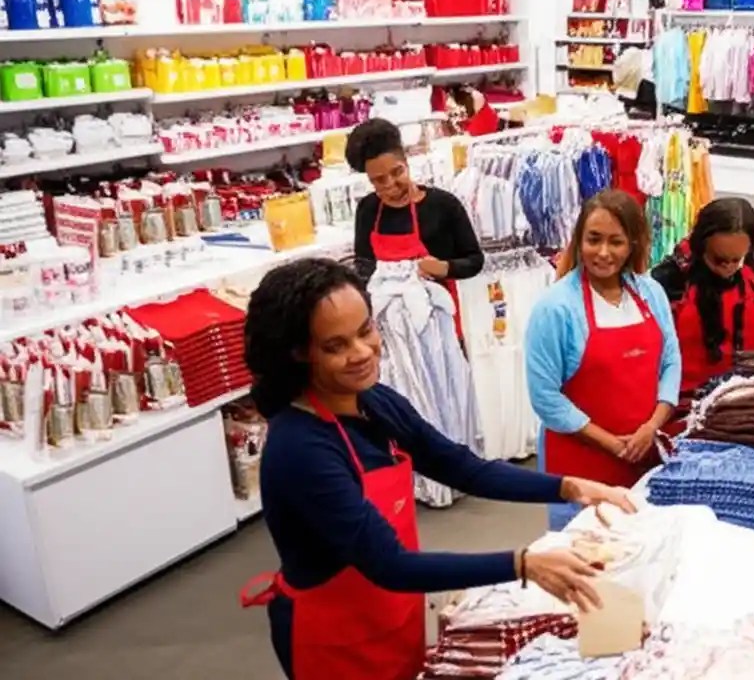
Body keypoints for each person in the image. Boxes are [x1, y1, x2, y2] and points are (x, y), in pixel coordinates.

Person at [239, 257, 634, 680]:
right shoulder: (302, 449)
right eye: (335, 346)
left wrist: (569, 487)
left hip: (392, 612)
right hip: (334, 638)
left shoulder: (375, 402)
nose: (362, 352)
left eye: (365, 330)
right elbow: (388, 563)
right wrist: (523, 564)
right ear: (297, 354)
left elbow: (460, 468)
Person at [526, 190, 680, 531]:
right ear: (579, 239)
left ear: (633, 245)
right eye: (593, 240)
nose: (604, 252)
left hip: (643, 454)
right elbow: (545, 397)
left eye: (616, 242)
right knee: (587, 558)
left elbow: (671, 360)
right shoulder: (556, 308)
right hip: (582, 461)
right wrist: (613, 443)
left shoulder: (650, 292)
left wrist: (651, 427)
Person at [651, 197, 754, 395]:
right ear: (701, 245)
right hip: (679, 403)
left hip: (745, 394)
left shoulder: (752, 276)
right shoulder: (666, 282)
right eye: (719, 260)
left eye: (736, 260)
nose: (728, 268)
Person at [348, 117, 484, 286]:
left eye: (397, 172)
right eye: (379, 180)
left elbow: (475, 261)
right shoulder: (368, 209)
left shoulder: (444, 205)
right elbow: (363, 263)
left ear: (406, 162)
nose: (391, 184)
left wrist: (444, 267)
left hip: (437, 308)